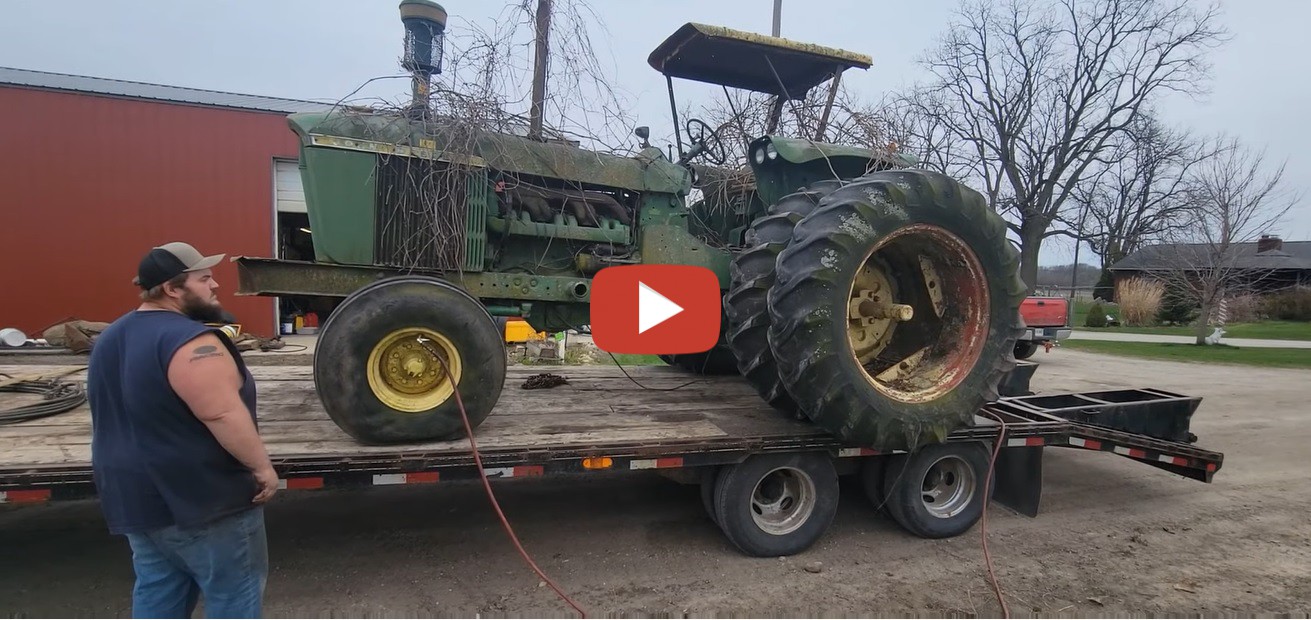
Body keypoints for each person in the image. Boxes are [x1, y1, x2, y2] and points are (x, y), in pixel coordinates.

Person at [87, 241, 278, 618]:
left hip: (136, 497)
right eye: (204, 279)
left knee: (159, 591)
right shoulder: (193, 342)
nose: (215, 286)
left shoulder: (111, 338)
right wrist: (262, 469)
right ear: (173, 289)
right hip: (202, 498)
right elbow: (222, 414)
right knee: (233, 596)